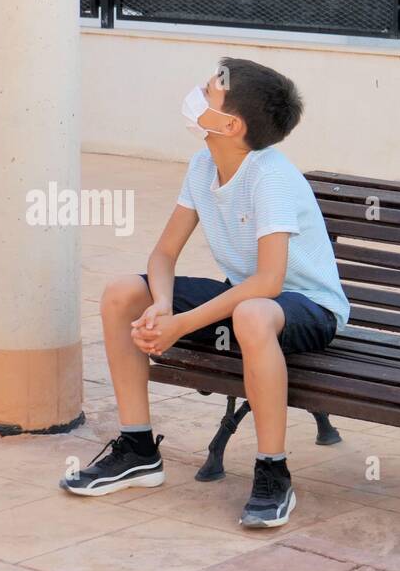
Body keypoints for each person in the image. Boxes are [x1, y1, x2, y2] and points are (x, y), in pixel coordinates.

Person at [60, 57, 349, 529]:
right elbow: (163, 255)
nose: (195, 93)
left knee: (254, 313)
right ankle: (137, 450)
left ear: (230, 124)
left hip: (308, 308)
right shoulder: (203, 164)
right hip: (248, 300)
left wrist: (182, 325)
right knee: (120, 293)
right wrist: (161, 306)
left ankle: (273, 472)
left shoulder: (270, 176)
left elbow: (269, 283)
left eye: (208, 91)